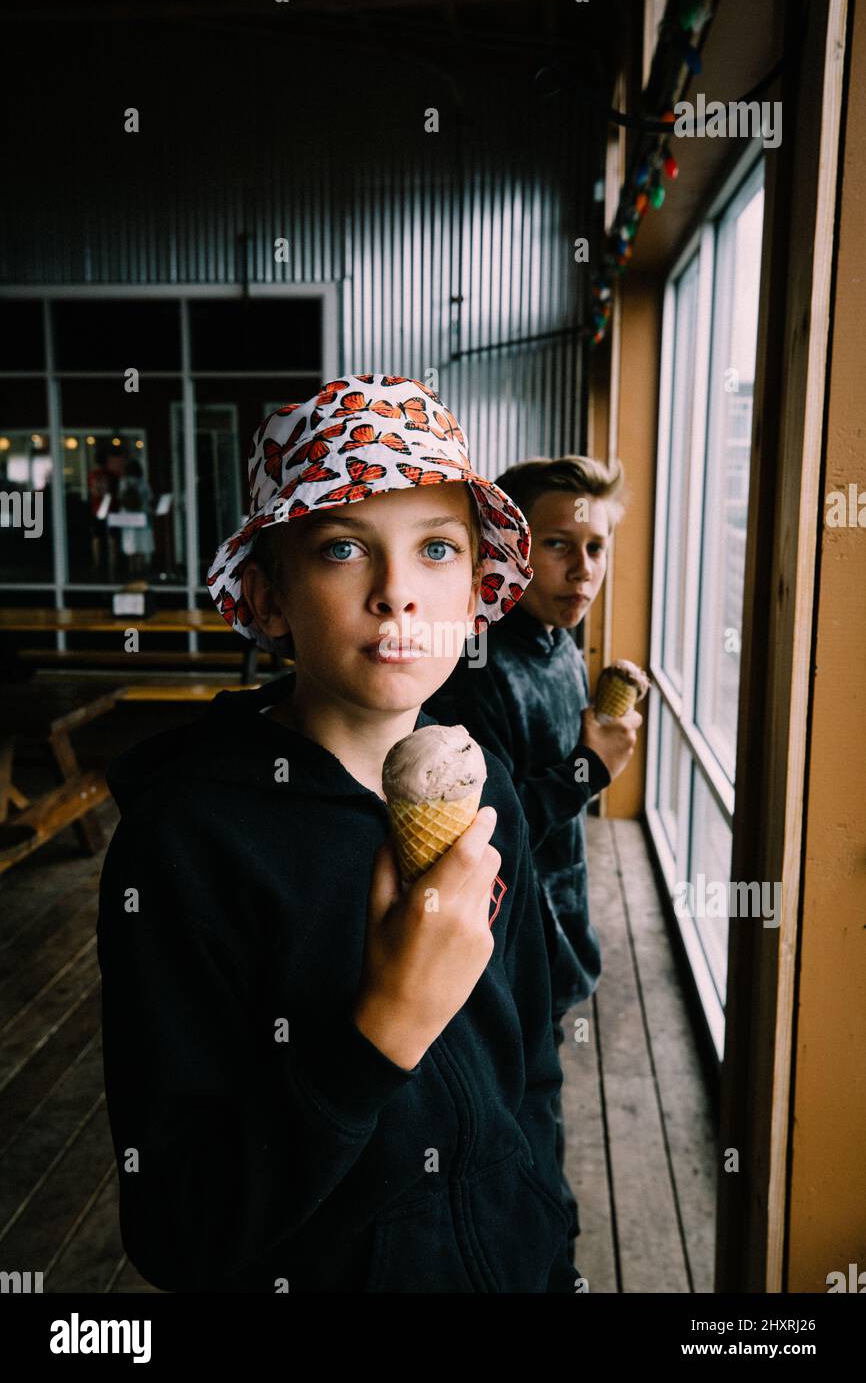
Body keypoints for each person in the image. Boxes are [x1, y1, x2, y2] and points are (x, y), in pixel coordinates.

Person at [96, 374, 583, 1294]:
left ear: (479, 587)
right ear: (270, 597)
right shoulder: (185, 847)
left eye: (436, 548)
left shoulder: (493, 795)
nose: (398, 593)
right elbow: (174, 1226)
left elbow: (532, 1067)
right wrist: (379, 1034)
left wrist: (549, 1234)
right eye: (342, 549)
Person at [424, 455, 642, 1266]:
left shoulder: (556, 641)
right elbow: (488, 832)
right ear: (509, 546)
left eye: (595, 547)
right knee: (518, 1132)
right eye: (558, 544)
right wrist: (592, 769)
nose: (582, 569)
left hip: (556, 939)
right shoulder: (476, 666)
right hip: (504, 954)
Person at [116, 456, 154, 577]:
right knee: (141, 541)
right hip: (141, 515)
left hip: (127, 517)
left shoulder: (124, 481)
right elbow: (150, 497)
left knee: (130, 541)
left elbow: (120, 497)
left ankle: (131, 566)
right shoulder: (143, 482)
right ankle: (140, 566)